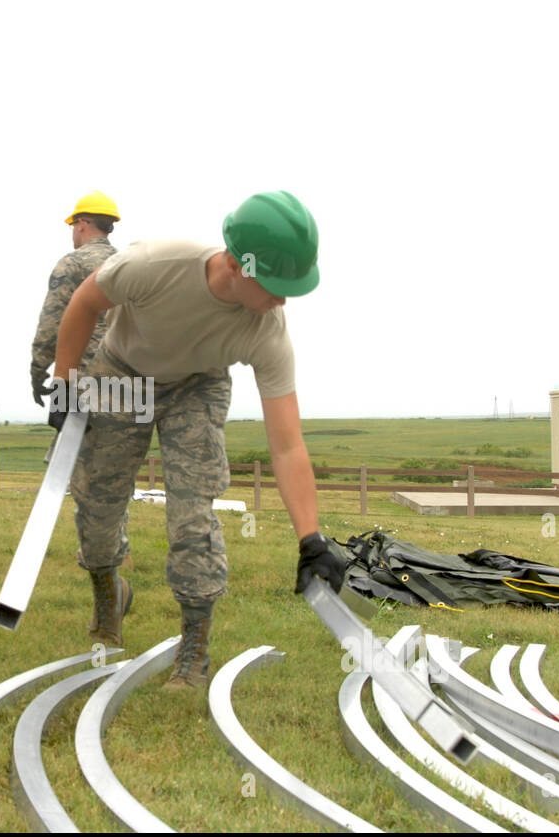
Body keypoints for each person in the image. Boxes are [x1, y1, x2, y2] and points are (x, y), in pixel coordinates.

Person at [48, 191, 348, 689]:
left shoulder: (268, 330)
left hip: (196, 385)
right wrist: (63, 382)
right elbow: (84, 303)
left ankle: (195, 646)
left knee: (193, 514)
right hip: (125, 376)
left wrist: (310, 539)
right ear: (235, 264)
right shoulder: (152, 264)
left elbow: (288, 444)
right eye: (276, 284)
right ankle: (108, 591)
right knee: (97, 504)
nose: (283, 299)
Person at [28, 192, 120, 407]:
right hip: (132, 381)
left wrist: (38, 373)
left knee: (70, 441)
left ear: (81, 224)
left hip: (81, 380)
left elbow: (51, 325)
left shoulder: (72, 264)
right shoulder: (129, 264)